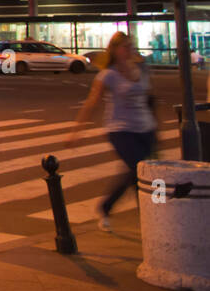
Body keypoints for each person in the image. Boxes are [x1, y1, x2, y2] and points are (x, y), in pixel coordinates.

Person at [67, 31, 157, 231]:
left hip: (146, 128)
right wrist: (76, 132)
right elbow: (92, 104)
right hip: (120, 130)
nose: (130, 49)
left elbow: (150, 99)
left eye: (131, 45)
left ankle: (106, 207)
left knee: (134, 172)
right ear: (115, 50)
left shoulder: (141, 69)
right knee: (140, 170)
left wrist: (155, 127)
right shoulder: (108, 75)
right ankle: (153, 216)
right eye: (125, 46)